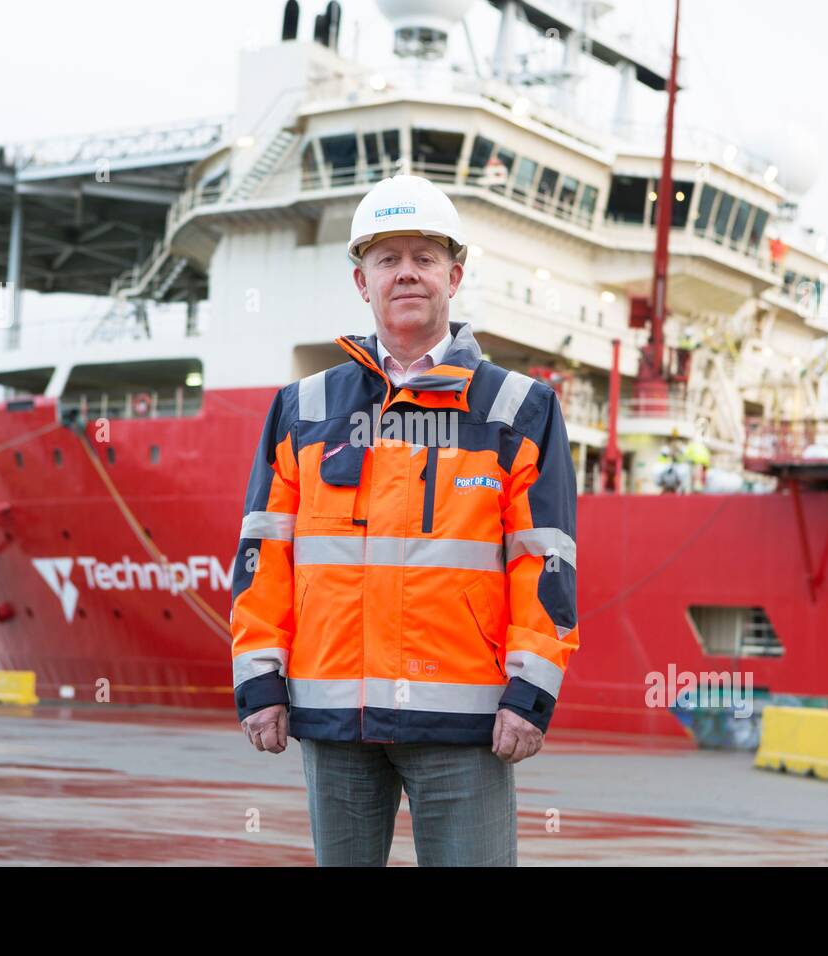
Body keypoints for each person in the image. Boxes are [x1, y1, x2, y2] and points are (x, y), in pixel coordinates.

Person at [229, 174, 580, 866]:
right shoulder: (302, 407)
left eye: (423, 257)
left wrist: (530, 693)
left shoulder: (517, 409)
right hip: (336, 718)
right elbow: (262, 552)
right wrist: (259, 680)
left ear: (454, 274)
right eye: (388, 259)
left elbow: (546, 560)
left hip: (468, 726)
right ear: (363, 282)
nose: (406, 273)